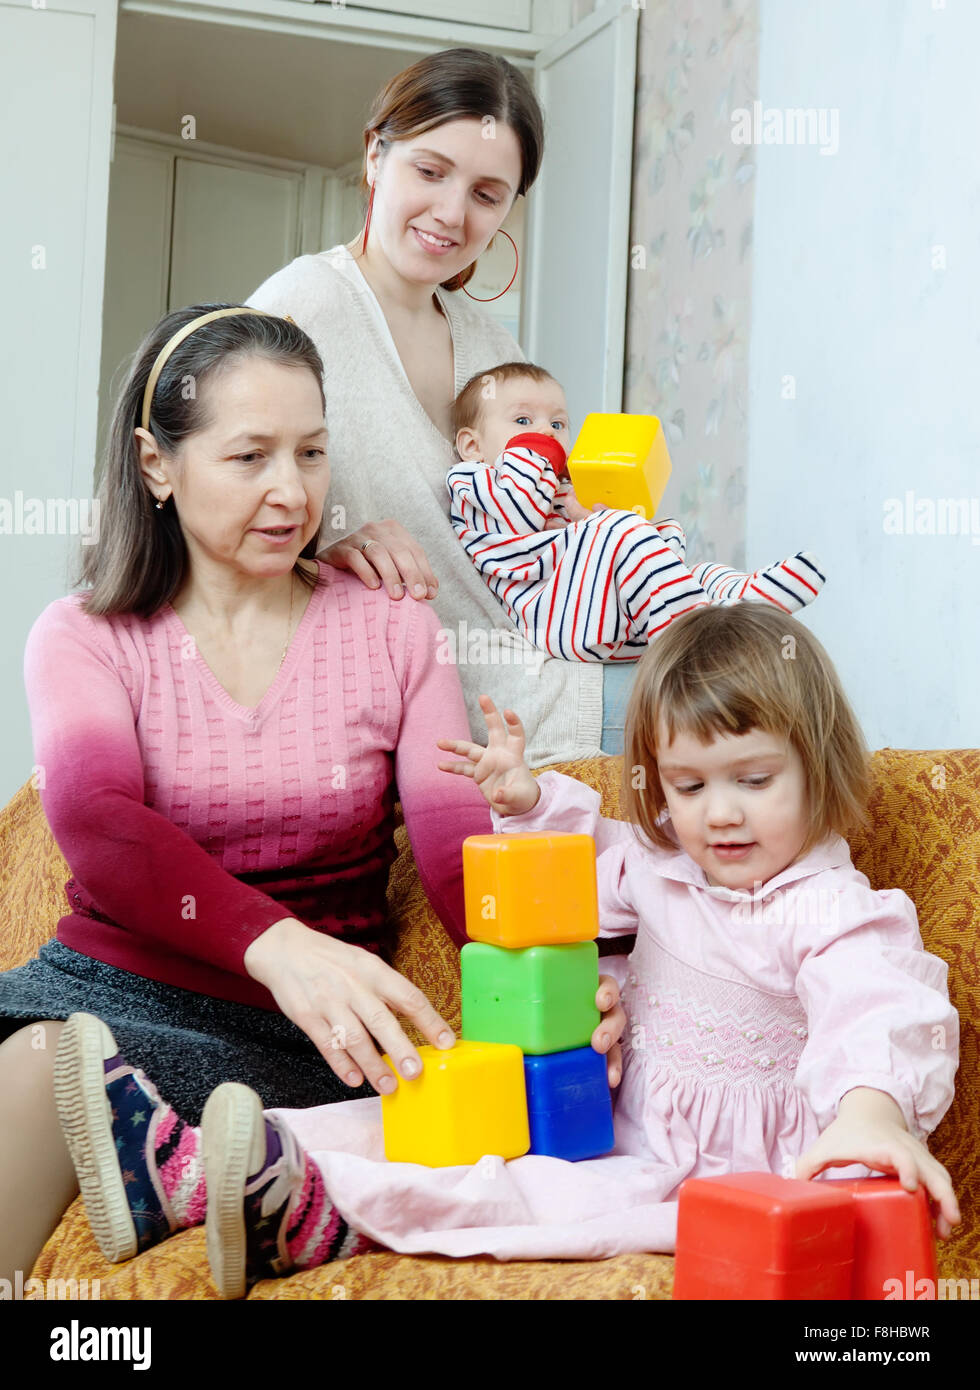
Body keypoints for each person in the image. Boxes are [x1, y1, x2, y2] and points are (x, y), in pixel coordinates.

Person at [53, 603, 960, 1297]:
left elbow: (879, 1005)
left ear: (820, 764)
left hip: (719, 1176)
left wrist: (873, 1113)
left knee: (510, 1195)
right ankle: (185, 1164)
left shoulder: (833, 910)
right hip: (610, 1121)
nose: (720, 812)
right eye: (688, 785)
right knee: (397, 1121)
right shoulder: (663, 864)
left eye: (754, 781)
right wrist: (527, 801)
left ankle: (315, 1215)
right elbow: (584, 861)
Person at [0, 302, 628, 1283]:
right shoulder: (84, 634)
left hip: (304, 1034)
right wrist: (275, 942)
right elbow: (100, 825)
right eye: (249, 457)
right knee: (42, 1050)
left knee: (40, 1068)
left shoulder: (389, 626)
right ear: (156, 463)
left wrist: (563, 981)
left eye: (310, 452)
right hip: (101, 989)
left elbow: (458, 848)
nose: (290, 491)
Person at [244, 46, 614, 764]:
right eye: (431, 171)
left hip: (551, 658)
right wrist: (318, 554)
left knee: (754, 656)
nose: (451, 213)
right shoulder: (299, 307)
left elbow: (520, 538)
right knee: (748, 698)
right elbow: (207, 513)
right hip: (448, 699)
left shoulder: (487, 342)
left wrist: (590, 536)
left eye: (486, 194)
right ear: (377, 155)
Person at [447, 361, 825, 660]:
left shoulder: (560, 488)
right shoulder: (474, 483)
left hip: (607, 618)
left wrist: (587, 514)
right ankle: (696, 641)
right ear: (472, 445)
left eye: (558, 423)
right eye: (524, 421)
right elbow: (517, 514)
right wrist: (535, 461)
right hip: (553, 618)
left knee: (686, 566)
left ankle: (739, 606)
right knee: (618, 528)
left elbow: (590, 547)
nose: (546, 432)